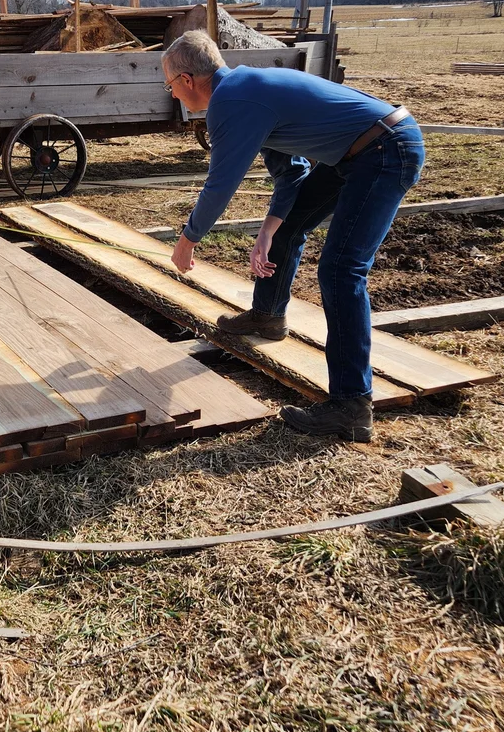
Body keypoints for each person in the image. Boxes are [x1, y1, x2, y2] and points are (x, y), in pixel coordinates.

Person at [163, 30, 425, 442]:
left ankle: (351, 406)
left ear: (188, 79)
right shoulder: (248, 92)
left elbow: (220, 185)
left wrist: (188, 239)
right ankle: (269, 315)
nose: (174, 95)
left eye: (170, 86)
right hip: (358, 152)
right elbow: (292, 172)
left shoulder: (232, 102)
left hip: (384, 150)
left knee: (342, 270)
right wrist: (269, 230)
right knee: (287, 230)